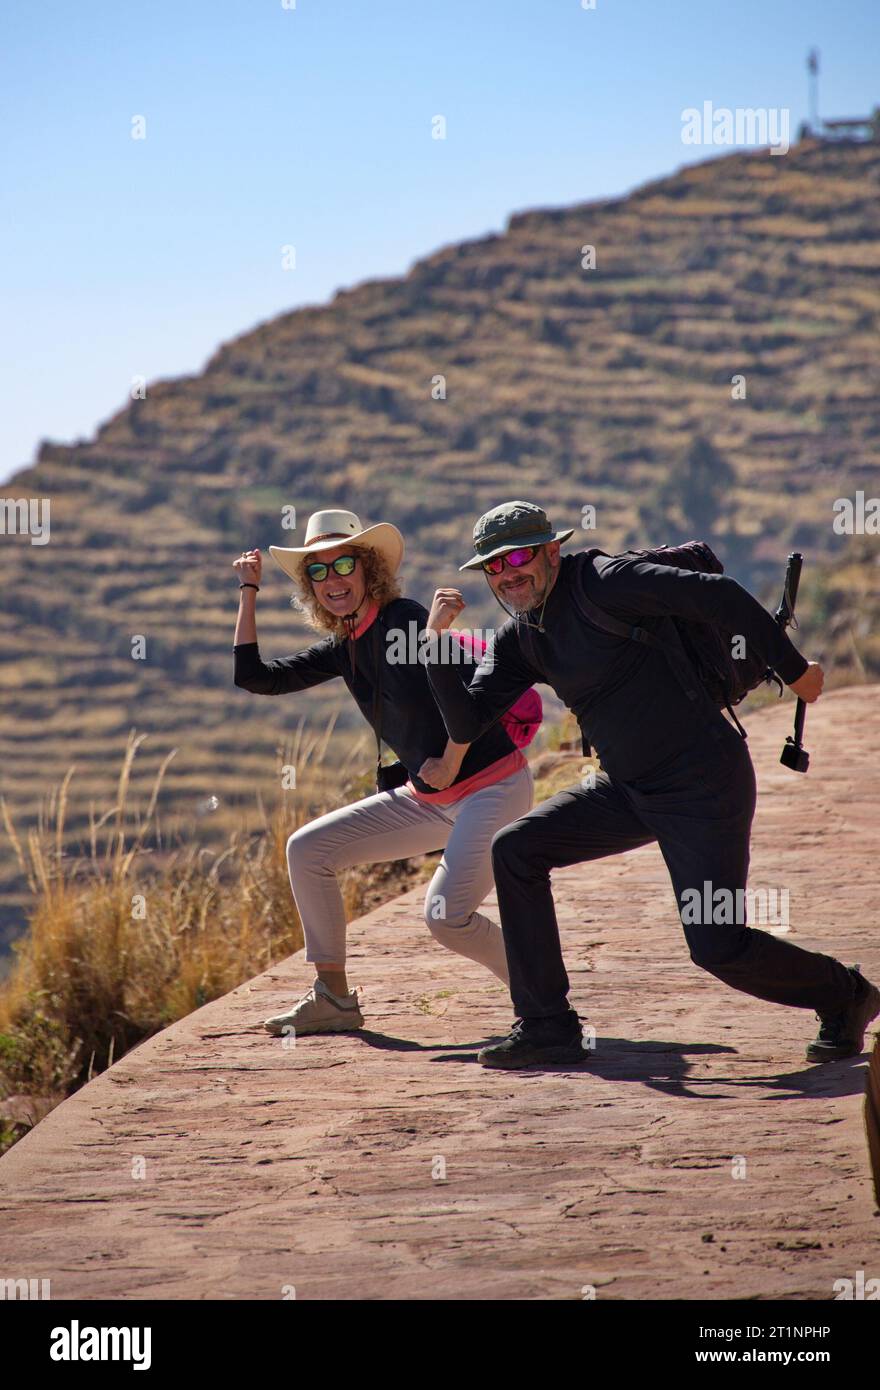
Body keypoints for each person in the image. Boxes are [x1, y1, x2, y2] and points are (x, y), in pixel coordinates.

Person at [424, 500, 880, 1069]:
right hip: (626, 790)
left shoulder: (604, 582)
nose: (507, 573)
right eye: (493, 565)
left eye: (519, 557)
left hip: (701, 784)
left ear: (551, 551)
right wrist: (434, 646)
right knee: (516, 848)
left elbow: (720, 596)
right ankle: (546, 1026)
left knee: (717, 946)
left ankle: (847, 995)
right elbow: (468, 722)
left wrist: (794, 670)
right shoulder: (523, 638)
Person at [232, 508, 534, 1037]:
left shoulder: (406, 620)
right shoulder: (344, 645)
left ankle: (540, 993)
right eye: (317, 571)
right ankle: (333, 998)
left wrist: (452, 760)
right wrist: (248, 591)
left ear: (368, 569)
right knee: (308, 850)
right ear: (310, 588)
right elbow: (256, 678)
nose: (332, 579)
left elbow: (479, 698)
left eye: (343, 564)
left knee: (446, 917)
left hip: (493, 786)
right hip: (431, 798)